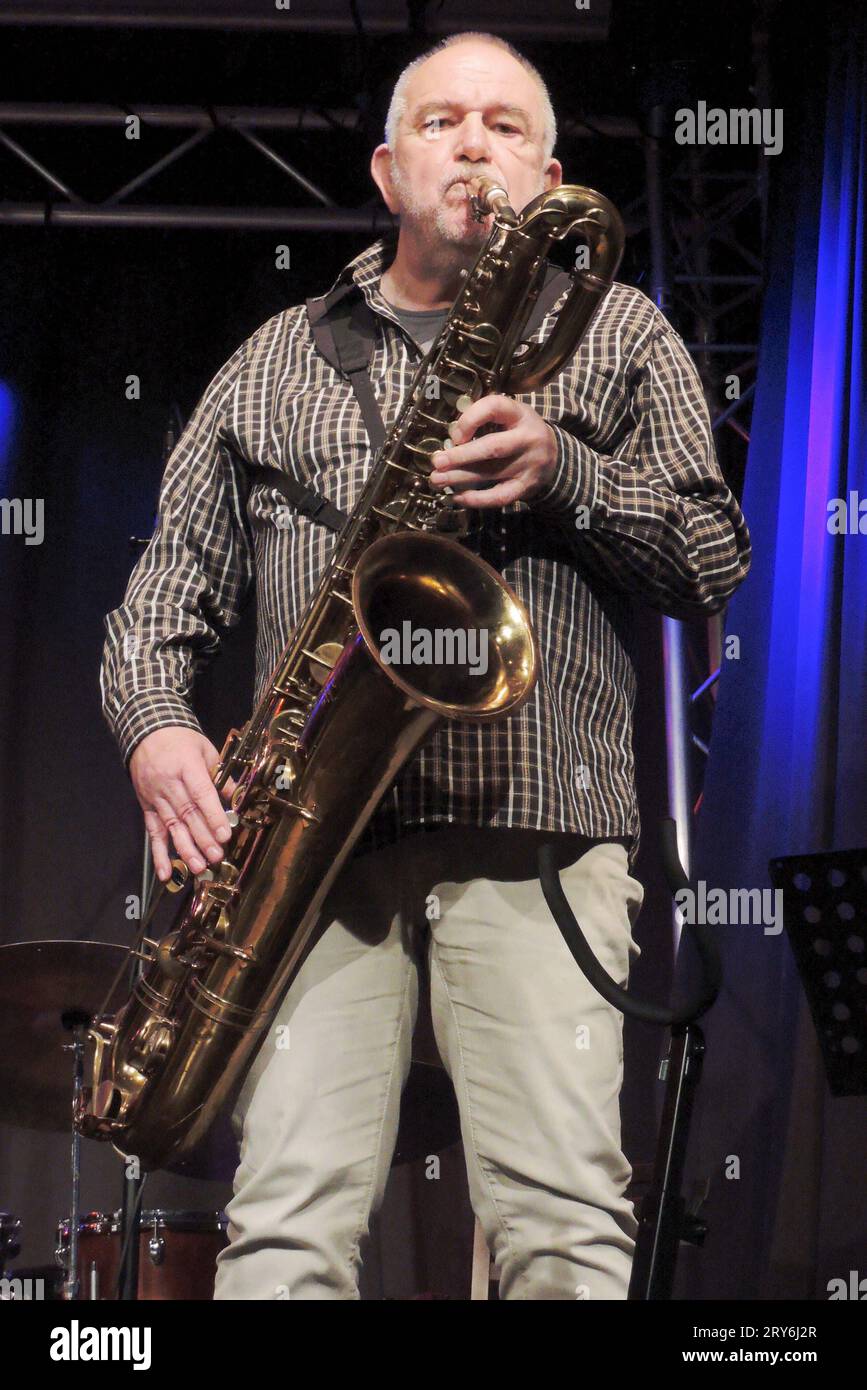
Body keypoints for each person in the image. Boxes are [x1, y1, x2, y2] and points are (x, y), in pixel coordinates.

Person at [100, 31, 751, 1299]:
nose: (473, 146)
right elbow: (159, 601)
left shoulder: (620, 336)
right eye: (443, 123)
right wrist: (155, 727)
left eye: (504, 126)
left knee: (563, 1228)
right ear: (389, 170)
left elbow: (713, 555)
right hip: (314, 852)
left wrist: (572, 473)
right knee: (283, 1228)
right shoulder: (277, 358)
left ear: (550, 171)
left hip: (541, 833)